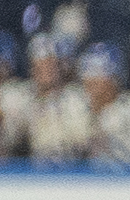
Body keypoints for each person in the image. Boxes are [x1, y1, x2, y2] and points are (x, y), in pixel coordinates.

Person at [21, 33, 95, 162]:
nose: (47, 70)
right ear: (32, 67)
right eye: (41, 64)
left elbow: (83, 142)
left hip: (70, 171)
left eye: (52, 64)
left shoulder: (76, 98)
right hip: (29, 173)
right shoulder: (21, 96)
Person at [79, 43, 130, 165]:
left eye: (98, 74)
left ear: (115, 79)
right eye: (88, 74)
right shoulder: (78, 105)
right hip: (79, 180)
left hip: (126, 180)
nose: (91, 81)